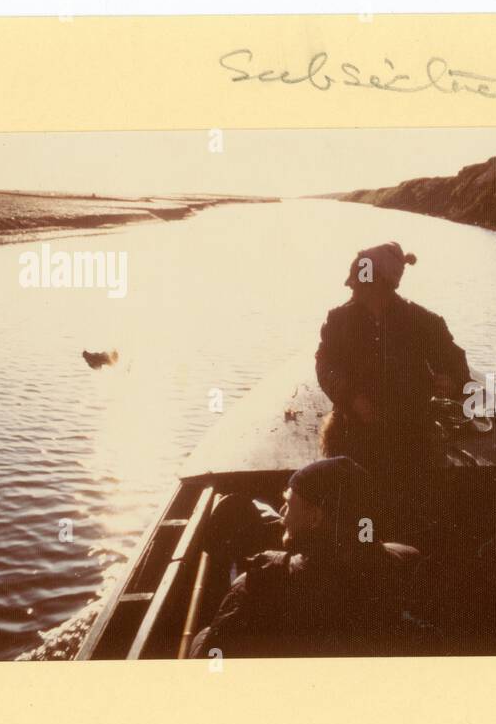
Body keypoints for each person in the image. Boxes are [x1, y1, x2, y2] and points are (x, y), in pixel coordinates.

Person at [189, 457, 421, 658]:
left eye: (289, 504)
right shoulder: (406, 562)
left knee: (202, 636)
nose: (281, 513)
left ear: (316, 517)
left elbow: (208, 661)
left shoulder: (259, 582)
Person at [315, 242, 472, 473]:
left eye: (358, 276)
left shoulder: (423, 322)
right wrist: (351, 397)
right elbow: (325, 365)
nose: (350, 282)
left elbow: (457, 366)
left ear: (380, 281)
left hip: (410, 436)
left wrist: (452, 381)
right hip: (353, 433)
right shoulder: (339, 320)